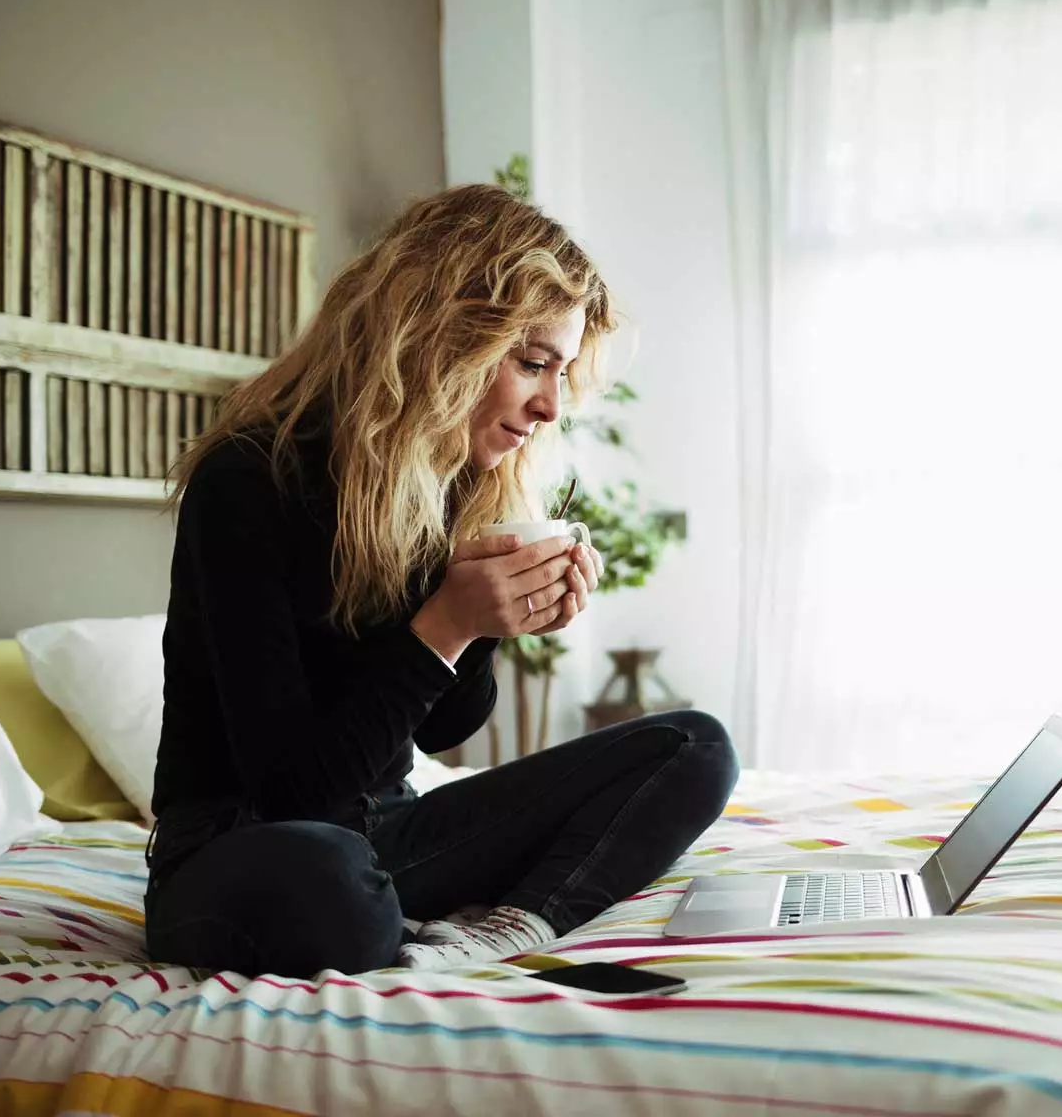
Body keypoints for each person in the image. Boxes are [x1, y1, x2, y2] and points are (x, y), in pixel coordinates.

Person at [144, 184, 738, 978]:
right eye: (533, 365)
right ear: (442, 336)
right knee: (330, 880)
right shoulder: (249, 480)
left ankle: (504, 932)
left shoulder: (448, 482)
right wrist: (448, 626)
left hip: (388, 834)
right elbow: (290, 791)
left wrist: (493, 616)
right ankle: (391, 921)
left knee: (695, 745)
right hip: (241, 847)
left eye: (559, 373)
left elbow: (440, 731)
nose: (550, 406)